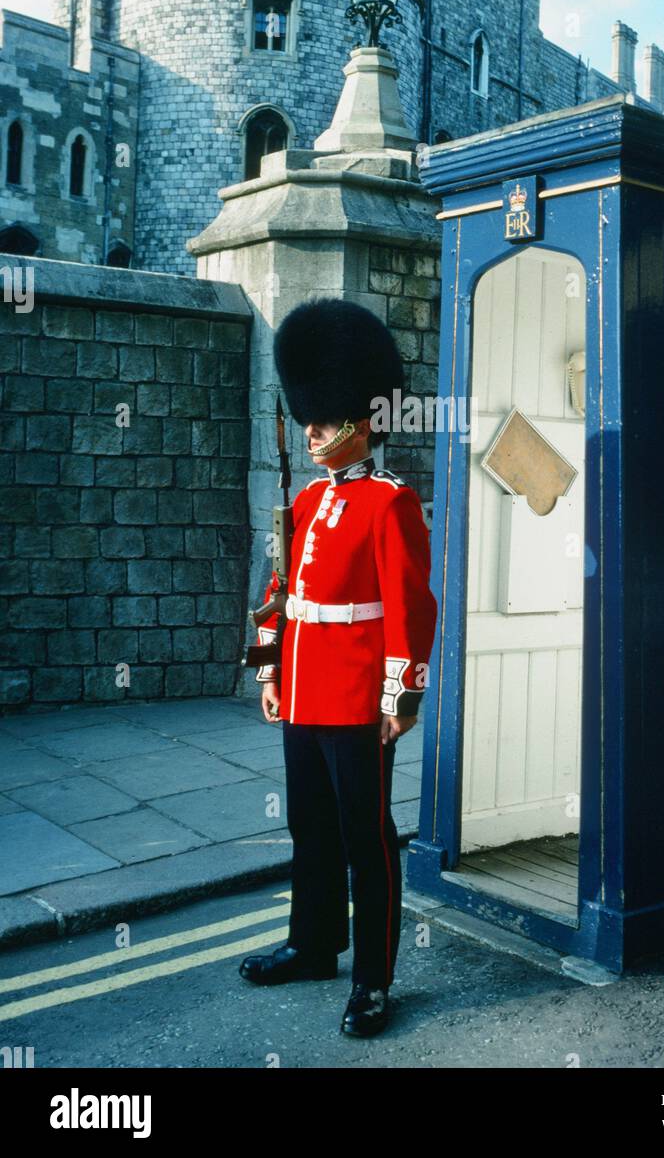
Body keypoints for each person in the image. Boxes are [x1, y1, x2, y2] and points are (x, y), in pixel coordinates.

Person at [239, 297, 438, 1038]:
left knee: (367, 839)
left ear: (364, 420)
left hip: (357, 697)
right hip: (303, 689)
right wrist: (269, 672)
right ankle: (314, 944)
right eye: (310, 417)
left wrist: (401, 696)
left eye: (324, 418)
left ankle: (373, 980)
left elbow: (411, 609)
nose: (311, 428)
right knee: (308, 829)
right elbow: (279, 594)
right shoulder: (307, 498)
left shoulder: (391, 502)